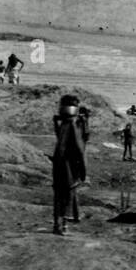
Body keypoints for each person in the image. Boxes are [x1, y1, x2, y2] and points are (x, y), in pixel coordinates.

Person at [51, 96, 87, 235]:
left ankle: (58, 225)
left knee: (59, 194)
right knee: (67, 193)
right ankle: (62, 226)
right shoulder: (72, 124)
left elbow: (59, 138)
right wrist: (82, 169)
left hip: (58, 163)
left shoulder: (63, 124)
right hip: (69, 164)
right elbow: (79, 147)